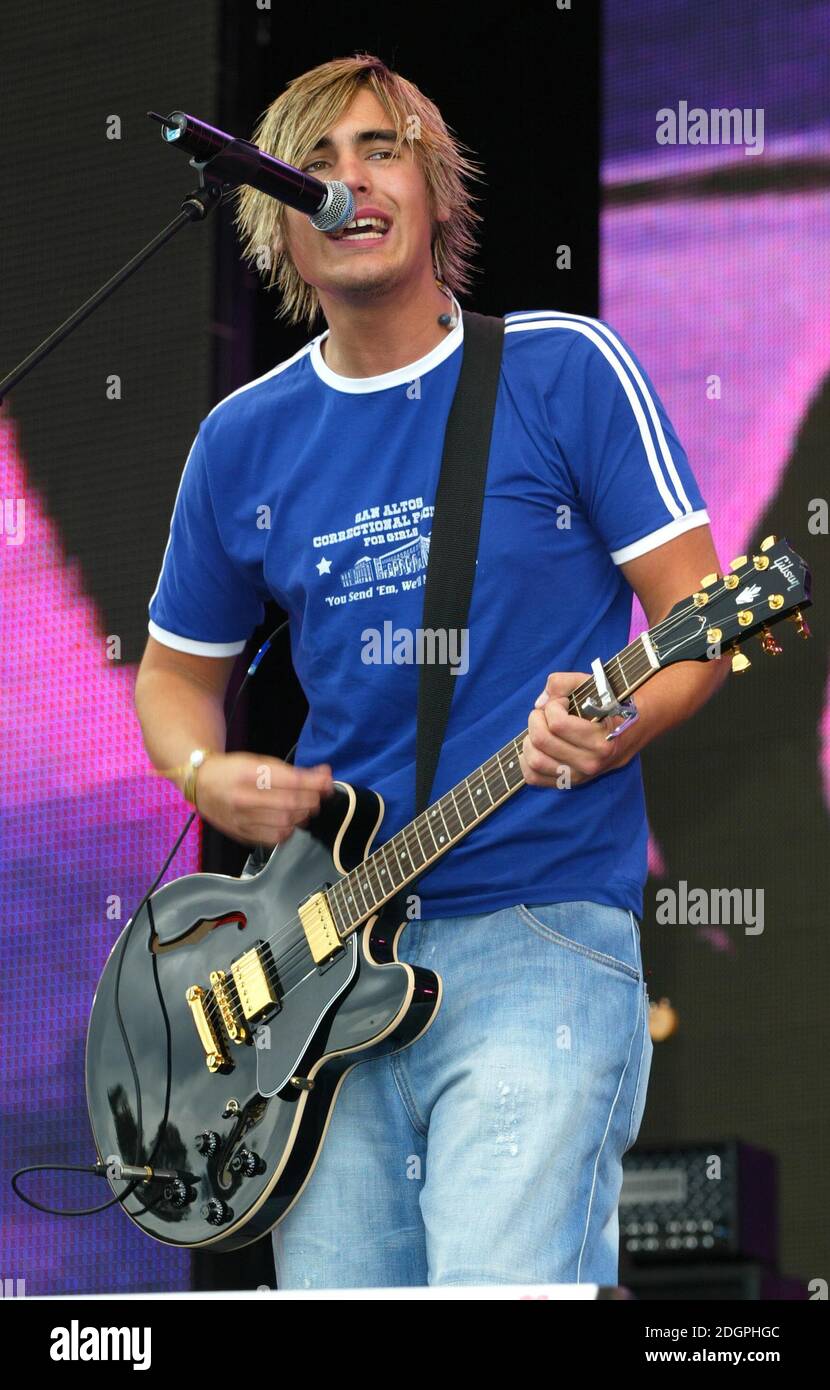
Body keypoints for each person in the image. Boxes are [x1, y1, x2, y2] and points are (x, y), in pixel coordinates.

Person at [135, 53, 728, 1289]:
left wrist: (614, 729)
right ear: (277, 222)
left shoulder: (563, 369)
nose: (345, 183)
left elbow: (703, 618)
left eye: (377, 150)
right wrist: (205, 773)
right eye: (314, 169)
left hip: (536, 930)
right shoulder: (241, 440)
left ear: (435, 189)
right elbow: (173, 683)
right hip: (318, 977)